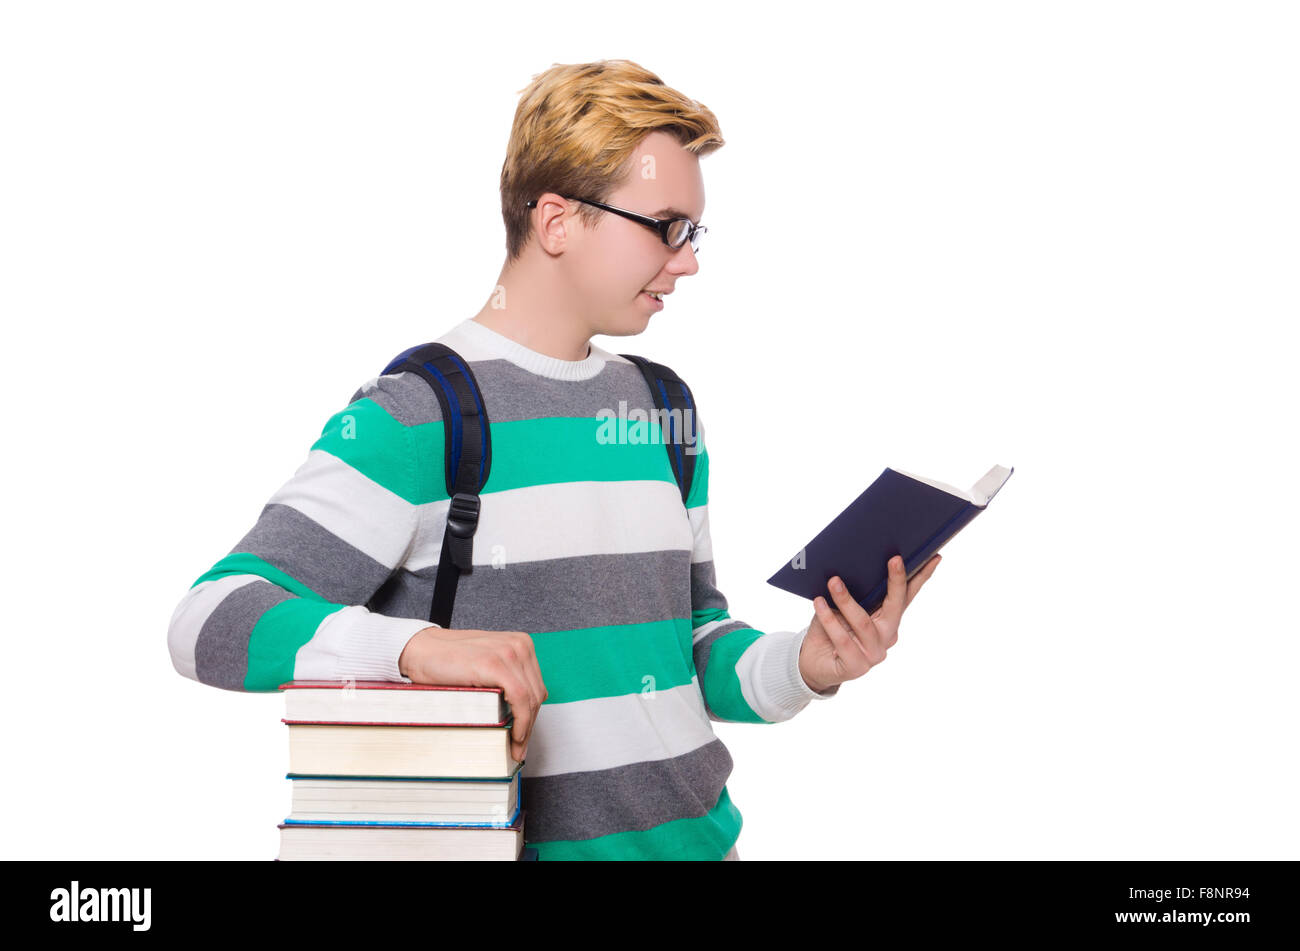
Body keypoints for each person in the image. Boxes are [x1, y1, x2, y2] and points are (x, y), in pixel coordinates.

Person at [167, 58, 941, 860]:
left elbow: (691, 650)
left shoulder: (664, 411)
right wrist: (412, 648)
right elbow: (207, 619)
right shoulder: (420, 412)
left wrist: (808, 663)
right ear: (557, 219)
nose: (688, 260)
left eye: (693, 231)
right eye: (665, 226)